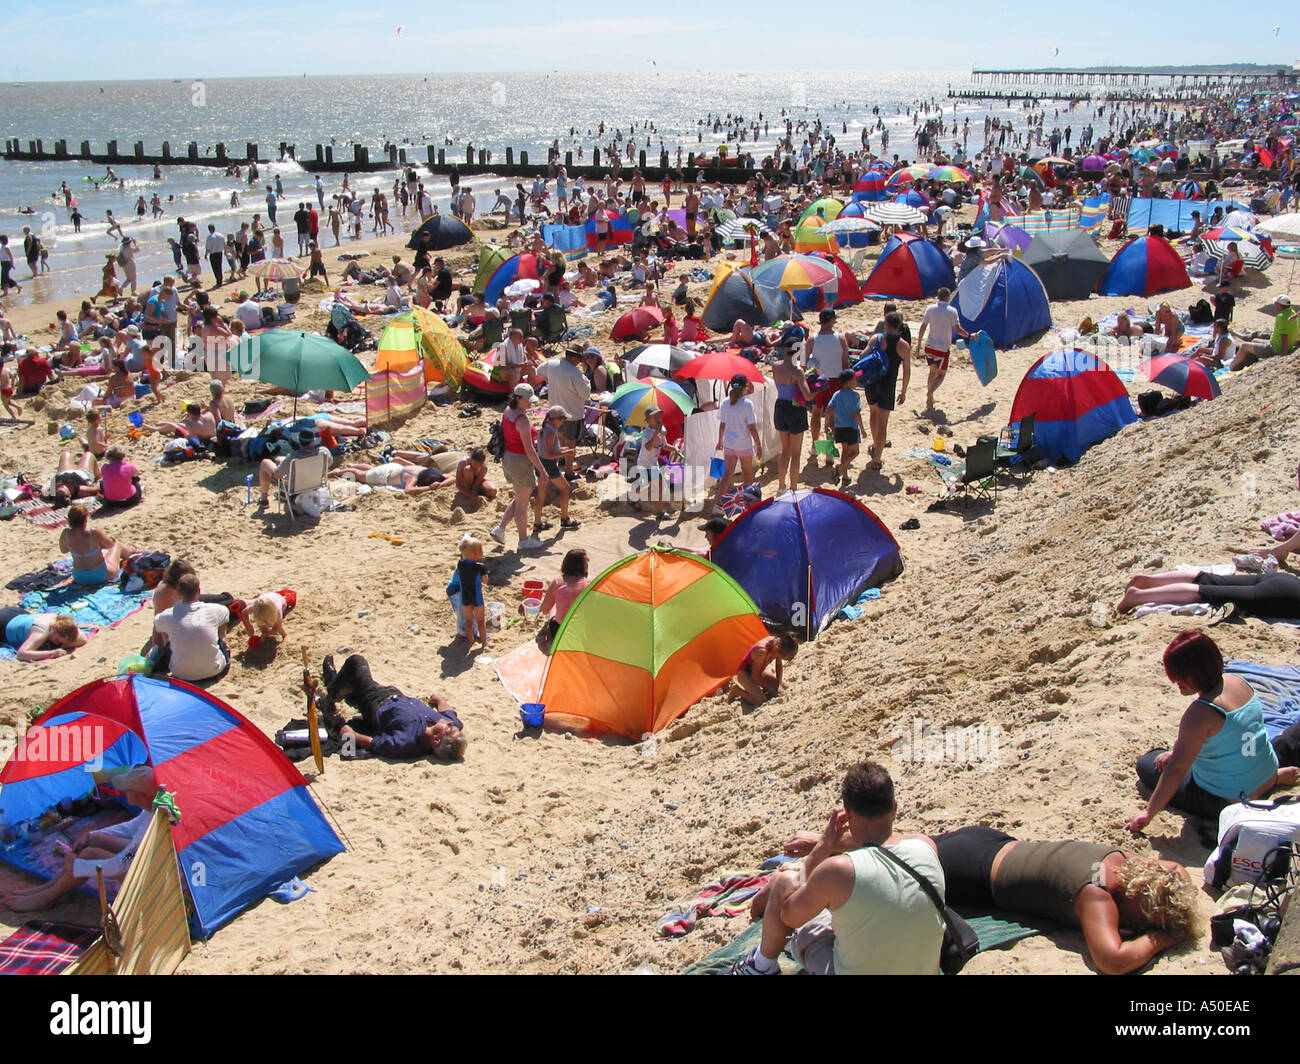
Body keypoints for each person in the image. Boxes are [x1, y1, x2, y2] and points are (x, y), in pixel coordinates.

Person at [726, 761, 945, 975]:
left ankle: (762, 966)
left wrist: (822, 848)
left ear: (847, 814)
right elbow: (888, 841)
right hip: (923, 968)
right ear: (894, 807)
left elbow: (788, 914)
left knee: (785, 884)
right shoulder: (926, 847)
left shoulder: (838, 871)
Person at [924, 827, 1200, 974]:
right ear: (1134, 895)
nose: (1138, 926)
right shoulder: (1096, 893)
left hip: (987, 842)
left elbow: (1177, 871)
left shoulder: (1132, 865)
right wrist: (1163, 938)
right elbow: (1113, 962)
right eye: (1142, 920)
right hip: (968, 873)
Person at [1127, 631, 1299, 830]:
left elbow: (1177, 769)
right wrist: (1176, 754)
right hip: (1265, 775)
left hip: (1230, 799)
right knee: (1234, 747)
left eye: (1180, 678)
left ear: (1195, 675)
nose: (1176, 683)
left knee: (1148, 763)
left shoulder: (1199, 715)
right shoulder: (1238, 681)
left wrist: (1149, 813)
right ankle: (1273, 779)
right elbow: (1233, 735)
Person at [2, 766, 162, 912]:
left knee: (89, 854)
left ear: (141, 795)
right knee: (94, 841)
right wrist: (91, 835)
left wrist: (78, 865)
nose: (123, 793)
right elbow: (132, 826)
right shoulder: (152, 807)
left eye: (128, 790)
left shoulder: (156, 824)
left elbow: (121, 865)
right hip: (149, 856)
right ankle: (49, 887)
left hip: (156, 875)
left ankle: (46, 897)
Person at [315, 654, 466, 761]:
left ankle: (330, 695)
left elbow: (373, 743)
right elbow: (449, 711)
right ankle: (340, 685)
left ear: (436, 740)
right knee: (355, 685)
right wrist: (439, 699)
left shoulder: (406, 742)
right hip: (394, 694)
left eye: (448, 729)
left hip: (375, 702)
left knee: (356, 662)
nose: (450, 723)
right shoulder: (449, 723)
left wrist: (352, 735)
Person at [1118, 567, 1300, 620]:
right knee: (1209, 593)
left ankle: (1150, 580)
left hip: (1287, 581)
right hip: (1285, 596)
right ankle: (1138, 596)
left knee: (1212, 580)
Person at [490, 384, 547, 551]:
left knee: (519, 498)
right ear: (518, 398)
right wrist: (542, 470)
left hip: (508, 459)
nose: (530, 404)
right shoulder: (522, 420)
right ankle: (523, 540)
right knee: (522, 506)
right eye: (527, 401)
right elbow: (529, 449)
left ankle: (500, 529)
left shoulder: (508, 411)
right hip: (520, 462)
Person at [151, 572, 230, 683]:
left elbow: (157, 623)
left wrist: (166, 641)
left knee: (167, 632)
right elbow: (226, 613)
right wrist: (222, 638)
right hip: (214, 670)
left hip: (180, 674)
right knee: (220, 626)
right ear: (198, 591)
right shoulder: (214, 609)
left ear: (178, 592)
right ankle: (222, 642)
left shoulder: (168, 615)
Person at [863, 310, 911, 474]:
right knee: (883, 423)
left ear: (886, 322)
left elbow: (863, 355)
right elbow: (906, 371)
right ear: (899, 325)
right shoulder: (904, 345)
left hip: (873, 383)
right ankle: (877, 459)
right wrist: (903, 391)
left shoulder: (877, 338)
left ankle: (875, 445)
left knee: (873, 415)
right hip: (888, 385)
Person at [534, 346, 591, 479]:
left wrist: (550, 380)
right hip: (572, 412)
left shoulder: (552, 364)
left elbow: (539, 370)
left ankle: (563, 460)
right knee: (570, 442)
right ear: (575, 357)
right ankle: (569, 471)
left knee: (559, 437)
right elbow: (585, 394)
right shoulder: (575, 374)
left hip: (555, 410)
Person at [915, 287, 971, 411]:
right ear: (947, 297)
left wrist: (918, 345)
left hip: (929, 346)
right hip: (942, 349)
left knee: (932, 371)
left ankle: (930, 397)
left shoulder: (930, 309)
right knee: (941, 375)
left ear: (938, 297)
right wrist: (969, 336)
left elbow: (923, 327)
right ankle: (930, 392)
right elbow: (958, 329)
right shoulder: (952, 311)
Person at [713, 374, 761, 511]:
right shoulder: (747, 404)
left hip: (729, 443)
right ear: (745, 387)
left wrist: (719, 441)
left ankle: (717, 504)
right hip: (743, 444)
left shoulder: (725, 402)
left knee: (727, 474)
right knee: (747, 474)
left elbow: (722, 424)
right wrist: (759, 445)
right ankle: (748, 503)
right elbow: (751, 428)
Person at [771, 342, 814, 493]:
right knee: (796, 453)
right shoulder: (797, 372)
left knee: (785, 451)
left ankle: (781, 485)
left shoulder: (775, 366)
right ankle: (793, 487)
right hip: (795, 408)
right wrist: (818, 389)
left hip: (780, 407)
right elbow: (807, 396)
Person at [59, 504, 133, 586]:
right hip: (100, 575)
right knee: (117, 545)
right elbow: (110, 545)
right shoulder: (92, 533)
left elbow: (63, 550)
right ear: (85, 520)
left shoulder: (65, 534)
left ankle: (131, 552)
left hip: (80, 577)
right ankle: (132, 552)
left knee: (103, 555)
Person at [804, 309, 849, 443]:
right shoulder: (840, 338)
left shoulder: (812, 339)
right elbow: (845, 364)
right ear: (831, 320)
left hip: (818, 379)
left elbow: (804, 363)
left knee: (816, 413)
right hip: (835, 380)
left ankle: (814, 444)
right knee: (831, 415)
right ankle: (829, 447)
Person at [255, 430, 331, 508]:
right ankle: (283, 494)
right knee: (287, 466)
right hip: (315, 483)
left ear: (299, 441)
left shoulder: (293, 457)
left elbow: (278, 475)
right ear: (313, 441)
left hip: (294, 487)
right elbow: (329, 463)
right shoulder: (324, 452)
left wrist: (282, 463)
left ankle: (264, 500)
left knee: (265, 462)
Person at [537, 405, 581, 533]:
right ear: (555, 419)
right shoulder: (551, 432)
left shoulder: (544, 428)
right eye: (562, 419)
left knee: (541, 495)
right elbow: (550, 454)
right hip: (549, 465)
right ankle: (565, 518)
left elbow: (549, 450)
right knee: (565, 488)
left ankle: (537, 523)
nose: (563, 422)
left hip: (540, 463)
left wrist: (567, 450)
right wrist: (567, 453)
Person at [1228, 294, 1300, 368]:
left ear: (1279, 305)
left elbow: (1284, 335)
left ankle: (1231, 367)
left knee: (1244, 346)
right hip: (1277, 343)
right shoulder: (1292, 312)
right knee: (1254, 340)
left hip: (1275, 348)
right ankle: (1246, 363)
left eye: (1276, 303)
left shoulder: (1281, 316)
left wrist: (1284, 351)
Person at [537, 548, 589, 651]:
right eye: (587, 560)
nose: (588, 562)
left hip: (561, 631)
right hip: (584, 631)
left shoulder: (558, 582)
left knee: (553, 609)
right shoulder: (592, 582)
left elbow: (544, 609)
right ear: (582, 566)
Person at [728, 633, 798, 705]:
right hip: (745, 673)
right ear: (776, 649)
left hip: (759, 671)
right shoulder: (762, 651)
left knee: (786, 687)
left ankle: (759, 690)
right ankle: (737, 691)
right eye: (780, 656)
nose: (779, 658)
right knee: (761, 701)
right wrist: (771, 689)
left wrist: (779, 685)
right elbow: (755, 676)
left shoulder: (778, 643)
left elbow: (779, 665)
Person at [826, 370, 866, 489]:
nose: (856, 381)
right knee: (855, 452)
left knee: (845, 451)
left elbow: (829, 410)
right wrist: (863, 430)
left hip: (840, 428)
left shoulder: (836, 394)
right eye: (854, 379)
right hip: (851, 428)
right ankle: (839, 469)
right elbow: (857, 414)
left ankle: (845, 478)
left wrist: (828, 424)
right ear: (849, 382)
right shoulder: (855, 395)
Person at [0, 607, 85, 662]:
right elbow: (21, 654)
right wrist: (51, 653)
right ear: (55, 629)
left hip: (16, 612)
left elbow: (82, 639)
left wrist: (62, 645)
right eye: (57, 640)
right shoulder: (40, 633)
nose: (57, 644)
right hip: (2, 625)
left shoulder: (58, 618)